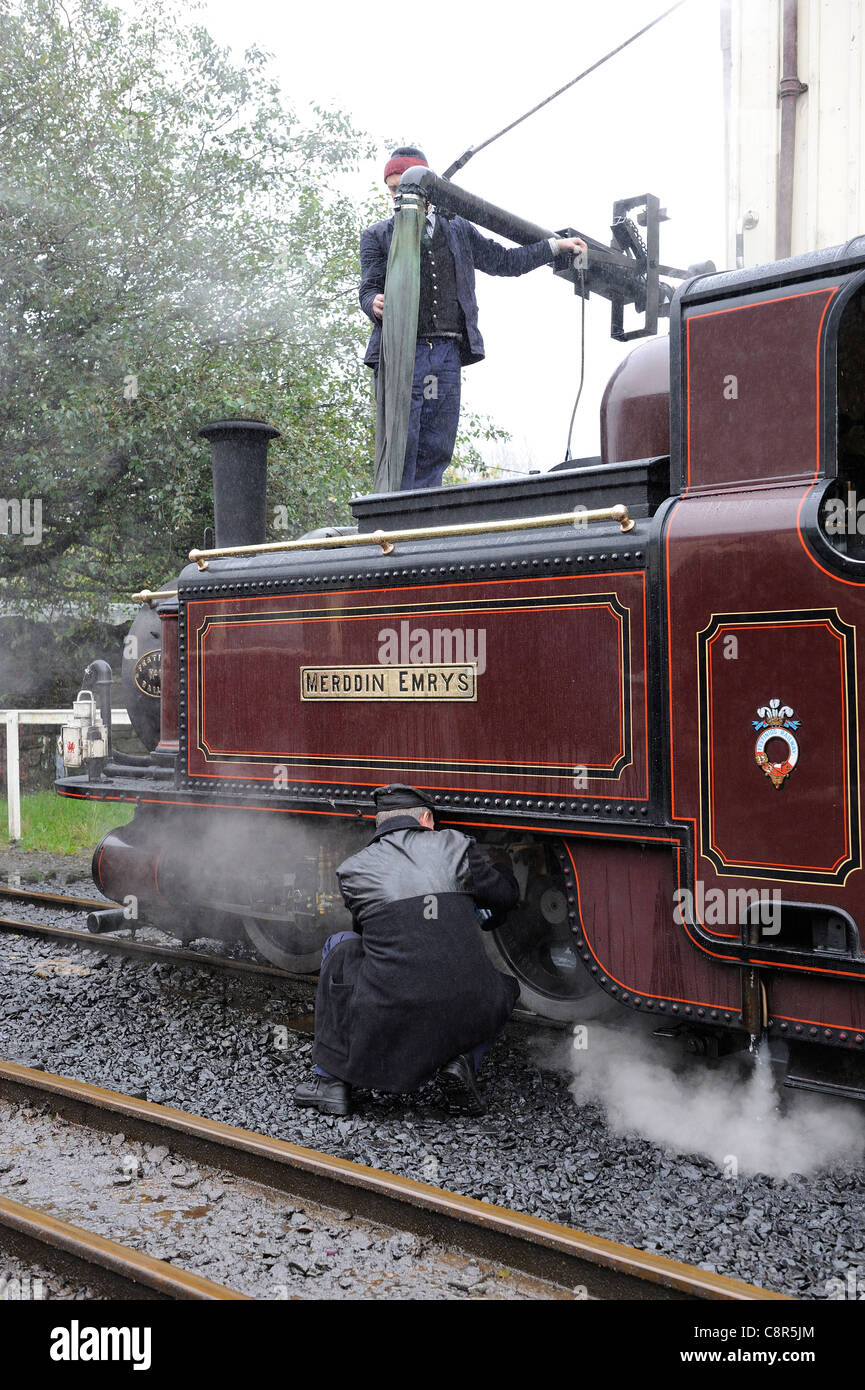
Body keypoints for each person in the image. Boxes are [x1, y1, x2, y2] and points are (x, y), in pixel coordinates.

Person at [359, 145, 588, 490]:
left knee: (436, 444)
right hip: (404, 353)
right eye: (391, 189)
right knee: (401, 444)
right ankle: (394, 519)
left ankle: (424, 519)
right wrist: (372, 303)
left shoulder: (459, 228)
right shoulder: (377, 235)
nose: (395, 195)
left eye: (401, 186)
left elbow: (504, 262)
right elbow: (368, 289)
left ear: (425, 187)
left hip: (447, 353)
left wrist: (555, 247)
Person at [293, 784, 520, 1117]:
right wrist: (501, 870)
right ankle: (461, 1061)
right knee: (505, 987)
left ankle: (330, 1083)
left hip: (388, 1011)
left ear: (380, 824)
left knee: (340, 947)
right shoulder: (456, 845)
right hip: (471, 1007)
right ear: (427, 819)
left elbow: (369, 937)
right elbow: (505, 897)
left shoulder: (353, 870)